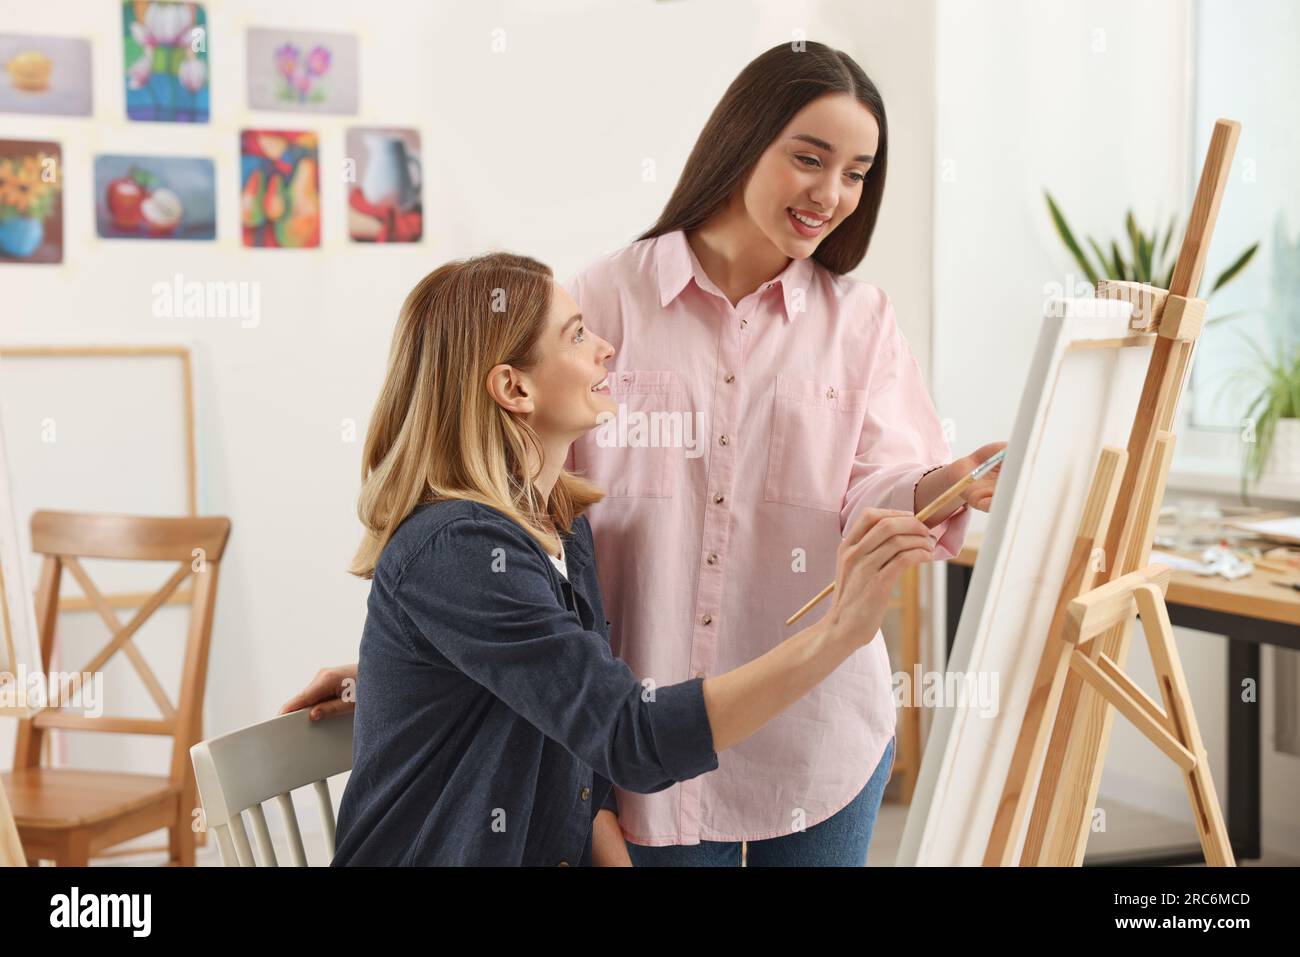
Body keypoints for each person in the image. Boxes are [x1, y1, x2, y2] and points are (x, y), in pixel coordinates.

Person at [302, 252, 940, 866]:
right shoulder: (461, 548)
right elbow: (629, 736)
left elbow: (584, 746)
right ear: (514, 387)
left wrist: (420, 670)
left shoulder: (559, 525)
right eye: (576, 335)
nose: (606, 349)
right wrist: (838, 634)